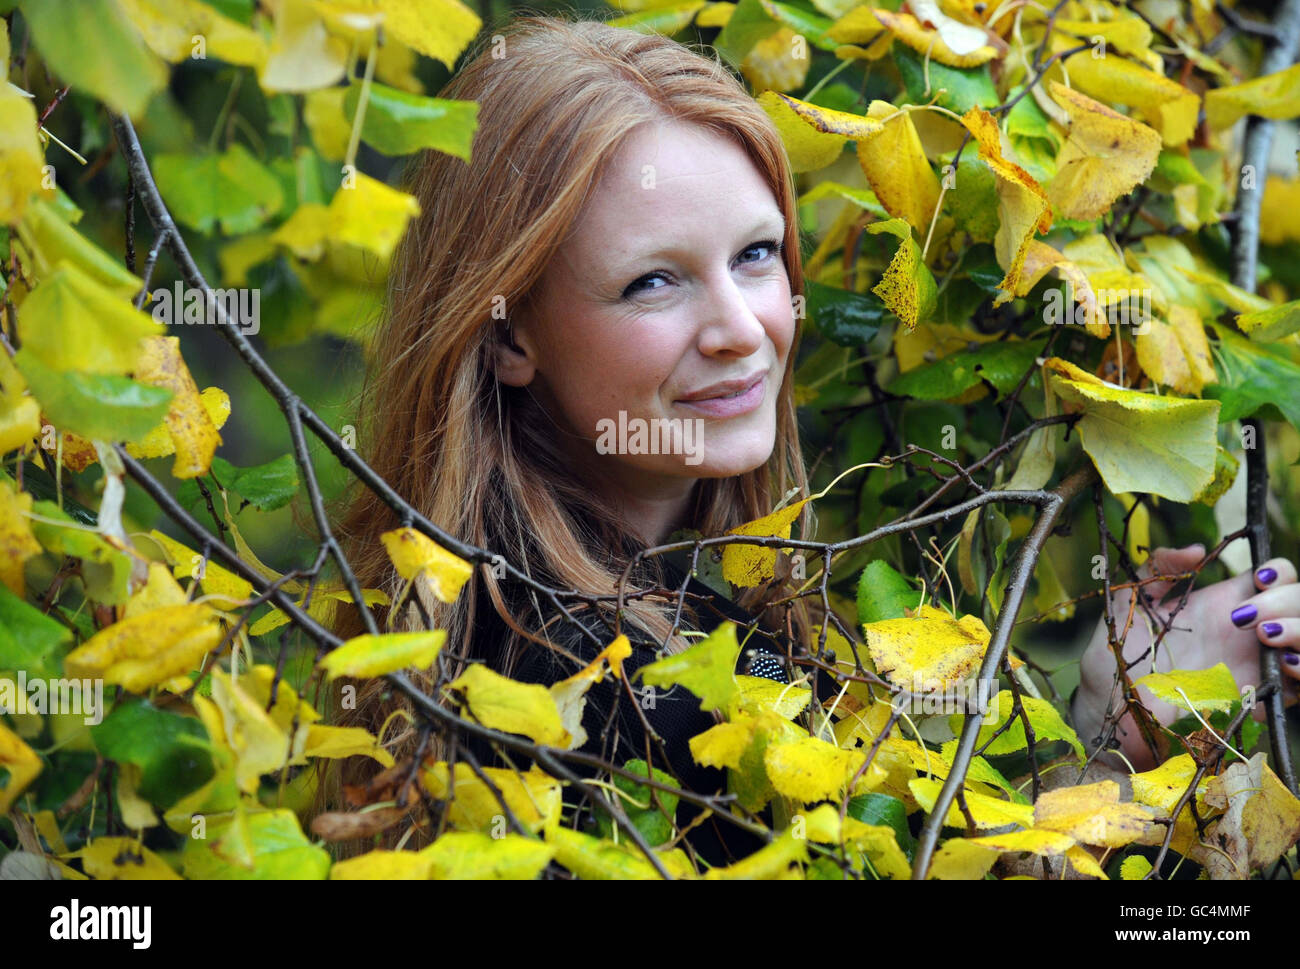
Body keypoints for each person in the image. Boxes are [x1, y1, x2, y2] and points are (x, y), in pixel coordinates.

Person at [326, 13, 1299, 868]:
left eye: (753, 255)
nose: (742, 328)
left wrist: (1106, 724)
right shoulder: (588, 673)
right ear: (505, 336)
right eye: (652, 282)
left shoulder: (563, 604)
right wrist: (1129, 774)